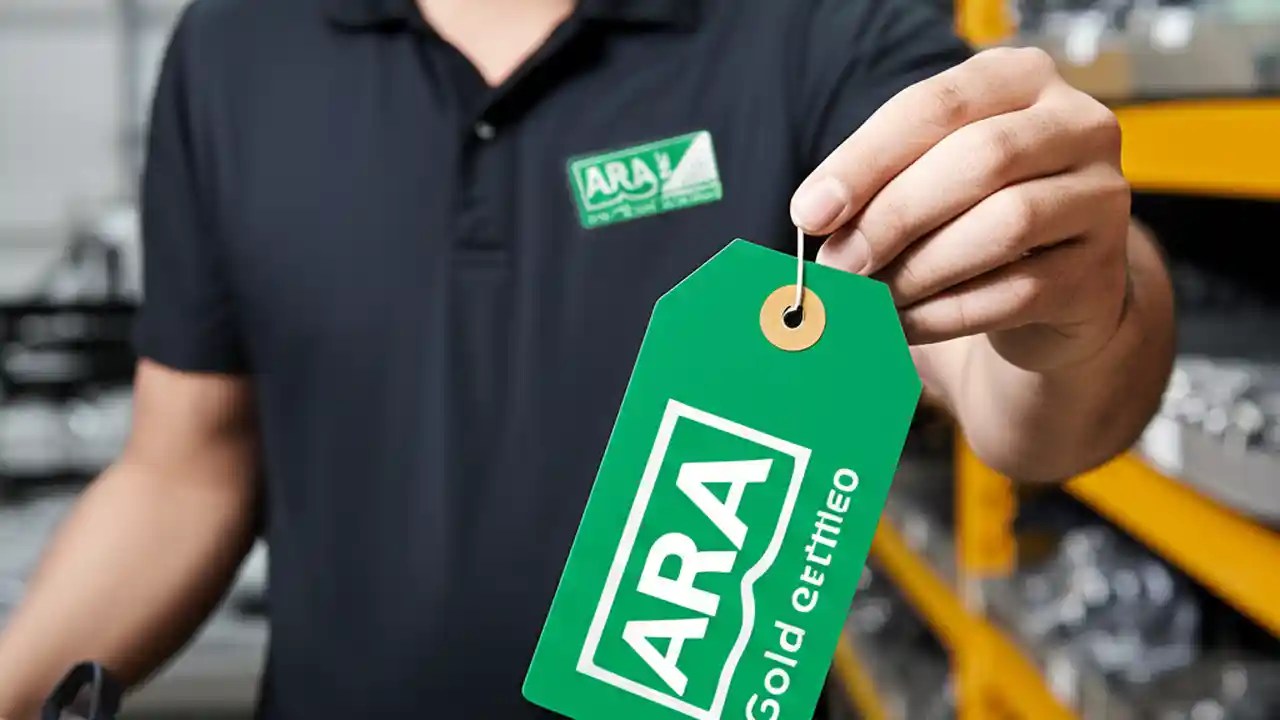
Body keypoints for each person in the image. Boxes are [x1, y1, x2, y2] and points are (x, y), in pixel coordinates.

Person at [0, 0, 1174, 717]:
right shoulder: (230, 50)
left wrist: (1076, 306)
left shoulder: (816, 29)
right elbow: (183, 468)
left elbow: (1021, 397)